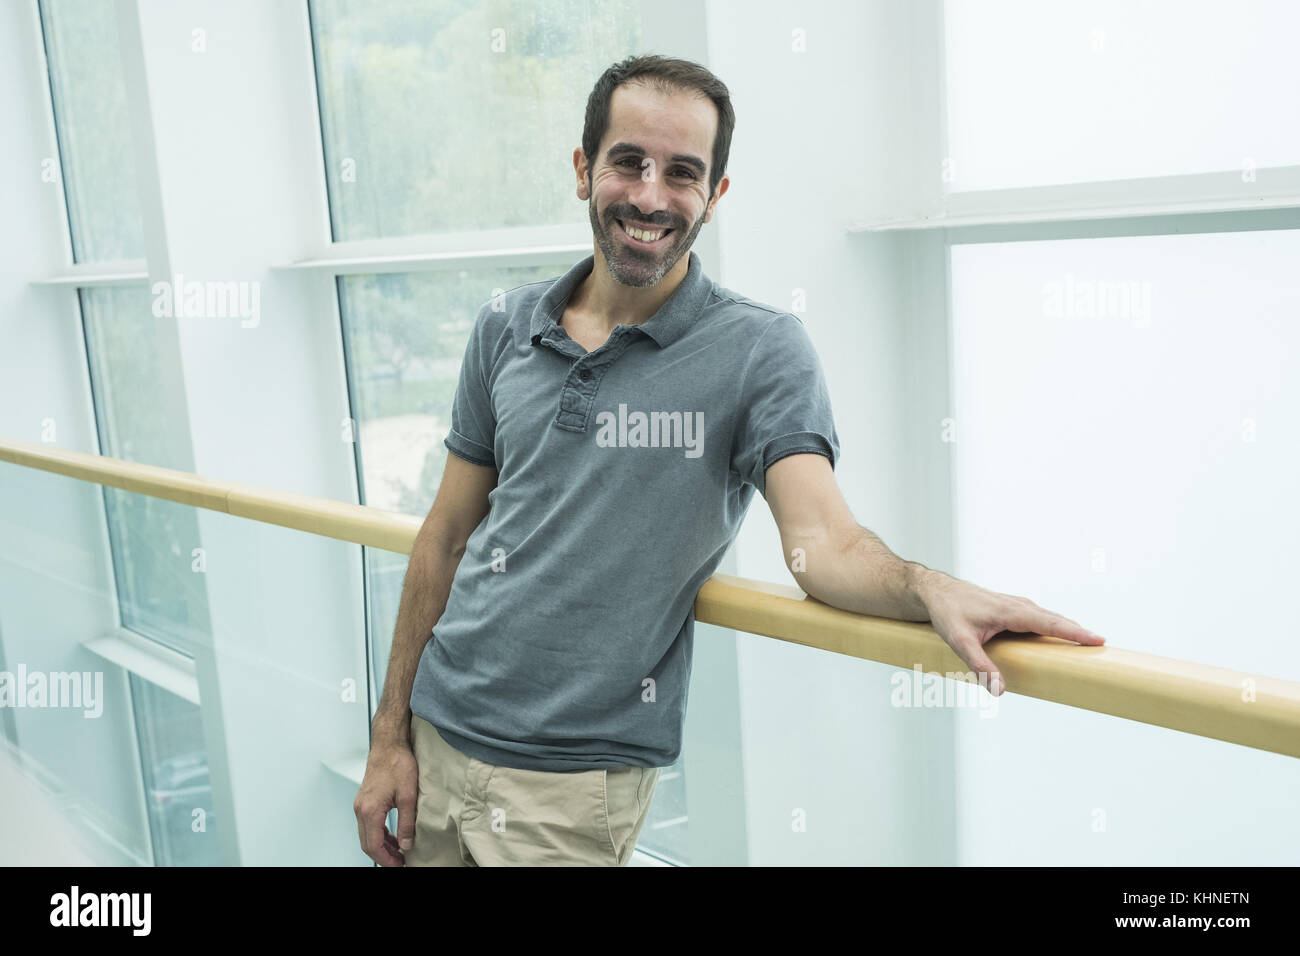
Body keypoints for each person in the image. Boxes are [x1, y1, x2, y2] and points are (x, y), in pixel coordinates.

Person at [353, 54, 1105, 867]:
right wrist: (388, 734)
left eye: (682, 173)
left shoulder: (759, 350)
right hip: (433, 737)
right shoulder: (504, 325)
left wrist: (932, 588)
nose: (649, 196)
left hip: (571, 787)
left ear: (715, 195)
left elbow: (826, 546)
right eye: (628, 163)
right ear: (583, 170)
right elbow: (446, 536)